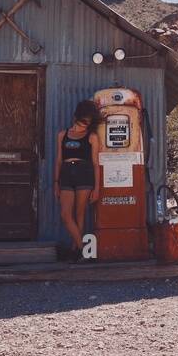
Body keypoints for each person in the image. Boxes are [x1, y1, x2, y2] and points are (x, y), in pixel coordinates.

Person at [54, 100, 101, 261]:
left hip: (84, 173)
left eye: (88, 122)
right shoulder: (62, 135)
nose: (85, 125)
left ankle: (76, 252)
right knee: (66, 215)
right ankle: (84, 250)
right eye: (83, 121)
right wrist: (56, 182)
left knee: (80, 214)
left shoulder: (92, 137)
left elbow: (96, 164)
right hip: (66, 174)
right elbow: (59, 160)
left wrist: (97, 188)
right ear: (76, 117)